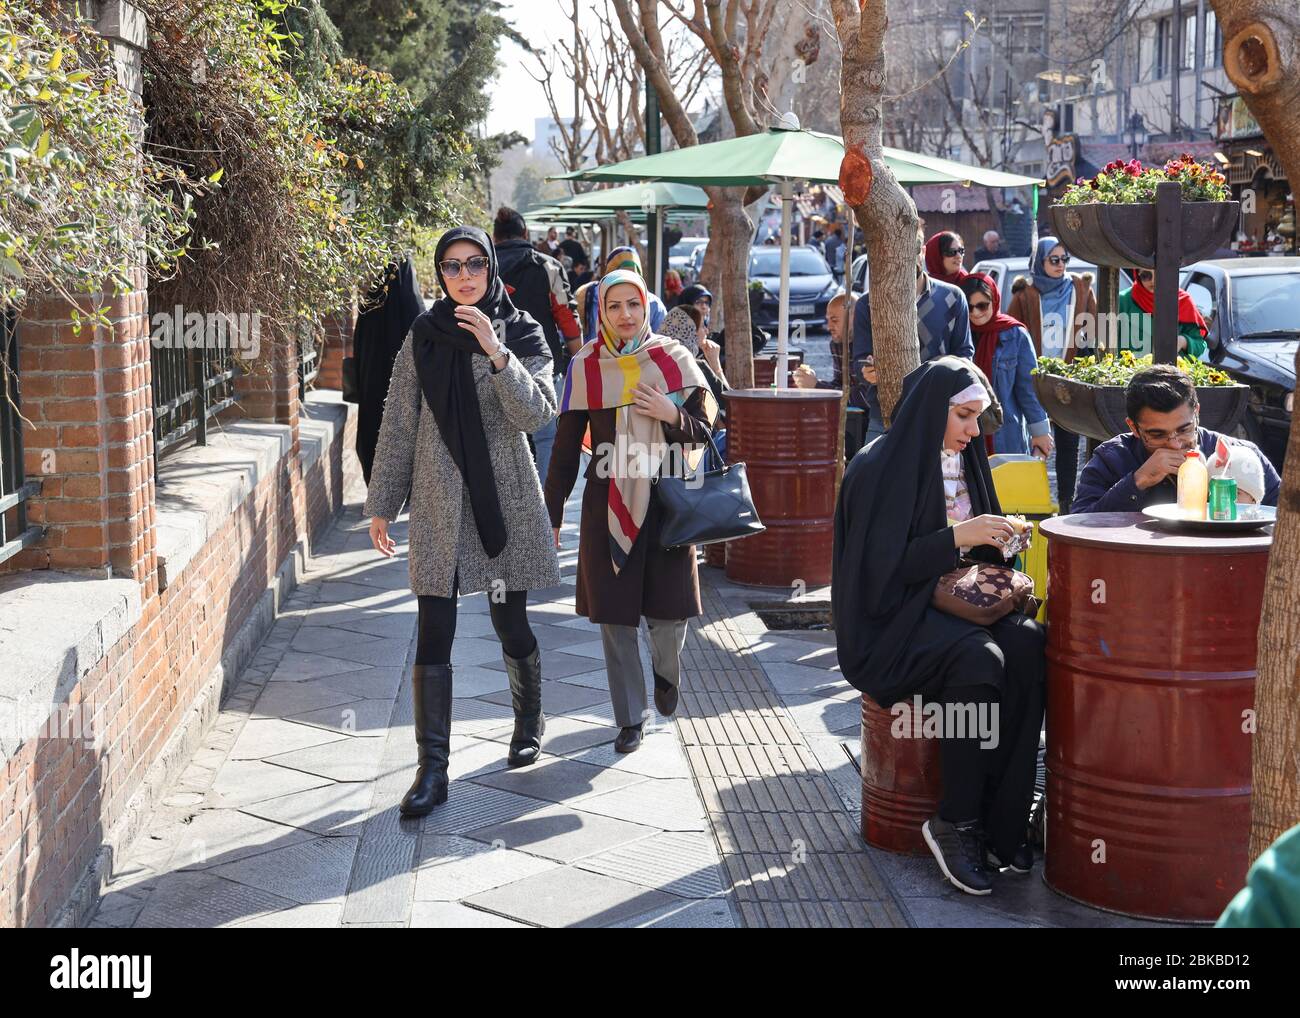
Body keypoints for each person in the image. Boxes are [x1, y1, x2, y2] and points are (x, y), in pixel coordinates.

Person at [365, 226, 561, 816]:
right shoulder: (421, 337)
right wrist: (382, 503)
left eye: (475, 263)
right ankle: (432, 770)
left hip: (501, 502)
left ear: (492, 266)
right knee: (434, 631)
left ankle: (529, 716)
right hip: (437, 506)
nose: (465, 275)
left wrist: (497, 355)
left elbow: (537, 413)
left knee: (510, 624)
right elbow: (398, 423)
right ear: (439, 275)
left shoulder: (521, 329)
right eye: (452, 267)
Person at [832, 356, 1046, 895]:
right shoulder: (879, 466)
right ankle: (958, 820)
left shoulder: (966, 456)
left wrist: (1000, 540)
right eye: (965, 417)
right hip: (891, 623)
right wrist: (959, 535)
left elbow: (984, 559)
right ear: (933, 411)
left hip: (957, 606)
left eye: (979, 417)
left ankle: (1005, 821)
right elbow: (882, 572)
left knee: (1028, 645)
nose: (975, 431)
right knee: (980, 658)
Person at [544, 269, 716, 755]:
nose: (624, 315)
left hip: (666, 501)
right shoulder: (586, 366)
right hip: (605, 502)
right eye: (614, 305)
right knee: (615, 619)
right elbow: (562, 449)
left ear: (646, 308)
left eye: (632, 305)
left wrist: (670, 413)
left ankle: (666, 675)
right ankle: (630, 718)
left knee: (670, 615)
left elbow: (704, 432)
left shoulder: (673, 359)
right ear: (601, 310)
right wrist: (550, 511)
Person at [1072, 364, 1280, 513]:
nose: (1175, 443)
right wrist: (1137, 481)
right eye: (1157, 434)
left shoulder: (1241, 457)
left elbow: (1287, 521)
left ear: (1197, 413)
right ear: (1133, 427)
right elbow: (1078, 527)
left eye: (1184, 430)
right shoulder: (1112, 459)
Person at [853, 232, 975, 441]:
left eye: (911, 252)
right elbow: (859, 360)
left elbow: (964, 357)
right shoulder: (868, 304)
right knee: (876, 474)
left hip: (938, 414)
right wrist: (867, 371)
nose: (904, 260)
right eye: (896, 254)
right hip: (884, 415)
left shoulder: (953, 297)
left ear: (923, 252)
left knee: (936, 474)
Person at [1007, 236, 1097, 513]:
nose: (1060, 265)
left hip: (1068, 379)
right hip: (1032, 381)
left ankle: (1067, 503)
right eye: (1053, 260)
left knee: (1069, 442)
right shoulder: (1025, 294)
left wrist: (1082, 368)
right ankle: (1033, 502)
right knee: (1035, 441)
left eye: (1064, 260)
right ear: (1039, 261)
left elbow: (1091, 334)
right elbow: (1012, 334)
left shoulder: (1081, 289)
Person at [493, 206, 582, 486]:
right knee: (546, 437)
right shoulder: (548, 266)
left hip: (492, 364)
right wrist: (579, 360)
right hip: (541, 364)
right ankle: (543, 507)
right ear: (526, 233)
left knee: (495, 437)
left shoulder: (481, 267)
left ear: (495, 237)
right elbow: (567, 320)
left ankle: (501, 506)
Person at [960, 274, 1053, 458]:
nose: (975, 313)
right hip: (965, 435)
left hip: (1006, 435)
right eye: (969, 307)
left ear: (994, 301)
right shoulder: (959, 332)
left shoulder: (1015, 334)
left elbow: (1028, 389)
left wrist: (1040, 431)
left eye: (982, 305)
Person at [353, 256, 425, 484]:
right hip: (404, 385)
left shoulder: (370, 308)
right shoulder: (415, 315)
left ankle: (376, 484)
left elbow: (359, 347)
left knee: (374, 426)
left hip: (372, 382)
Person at [575, 245, 668, 341]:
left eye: (634, 304)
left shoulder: (653, 303)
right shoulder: (588, 295)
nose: (625, 315)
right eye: (614, 306)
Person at [1117, 267, 1209, 360]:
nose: (1153, 281)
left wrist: (1183, 341)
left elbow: (1200, 345)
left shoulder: (1183, 302)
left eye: (1159, 275)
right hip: (1129, 372)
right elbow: (1104, 342)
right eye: (1146, 275)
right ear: (1137, 274)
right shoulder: (1123, 300)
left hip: (1169, 372)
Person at [793, 290, 862, 404]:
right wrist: (813, 382)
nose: (828, 327)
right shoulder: (837, 344)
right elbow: (840, 385)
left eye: (834, 320)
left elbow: (864, 397)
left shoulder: (868, 345)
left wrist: (817, 386)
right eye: (828, 320)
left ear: (854, 318)